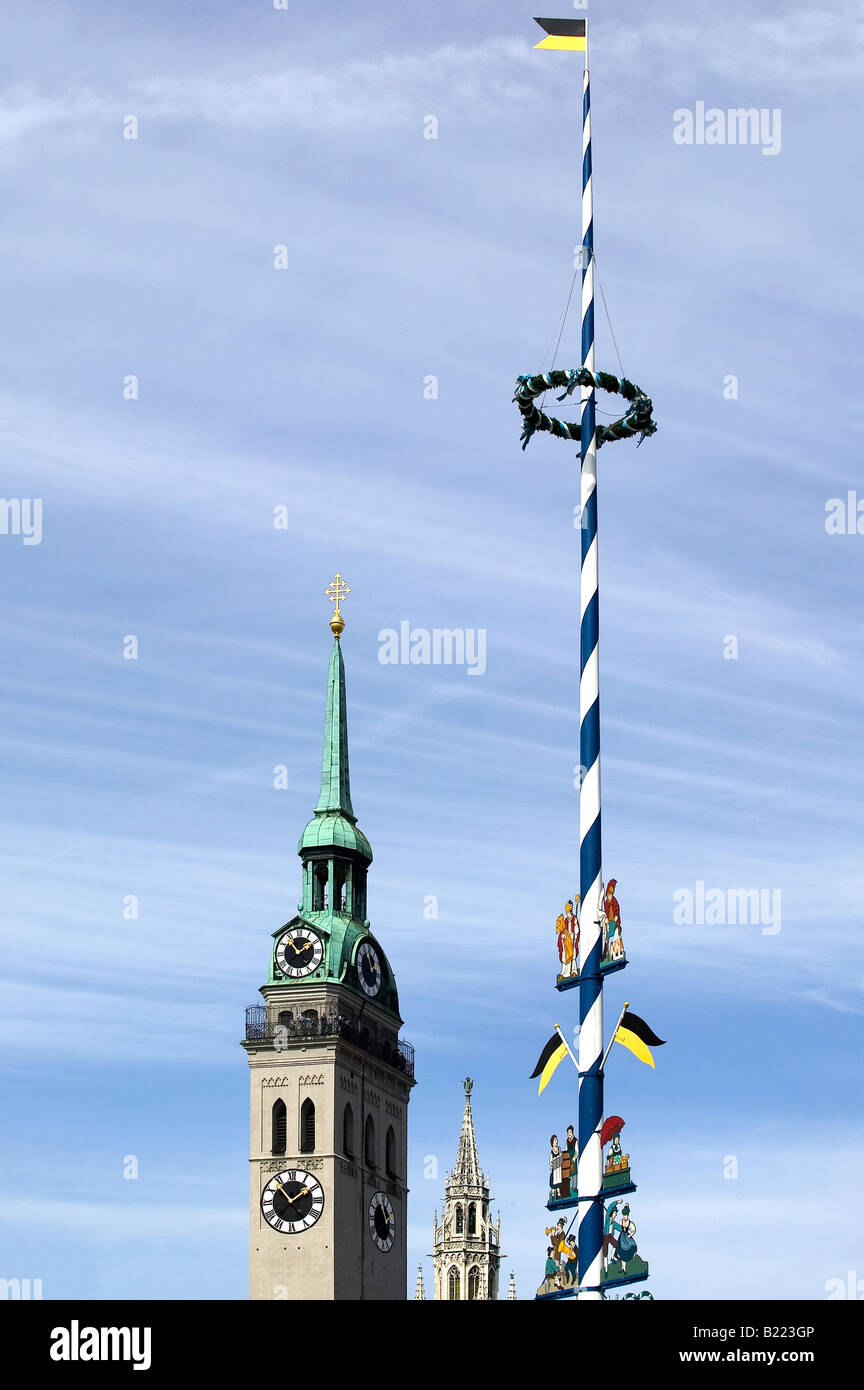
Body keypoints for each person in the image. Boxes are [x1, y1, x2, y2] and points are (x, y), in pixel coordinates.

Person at [616, 1206, 638, 1272]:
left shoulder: (630, 1223)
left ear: (628, 1215)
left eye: (625, 1215)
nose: (624, 1217)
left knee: (628, 1249)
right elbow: (619, 1228)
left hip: (627, 1238)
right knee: (621, 1252)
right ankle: (623, 1268)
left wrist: (630, 1235)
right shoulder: (621, 1221)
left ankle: (624, 1268)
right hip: (622, 1237)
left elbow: (633, 1230)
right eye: (623, 1215)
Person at [556, 911, 575, 979]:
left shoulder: (565, 932)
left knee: (568, 960)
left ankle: (568, 973)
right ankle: (563, 973)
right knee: (564, 960)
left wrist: (565, 937)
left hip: (567, 950)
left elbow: (568, 940)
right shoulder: (563, 932)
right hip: (564, 950)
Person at [603, 1201, 622, 1266]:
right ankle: (606, 1269)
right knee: (605, 1252)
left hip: (610, 1236)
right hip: (605, 1236)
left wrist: (626, 1231)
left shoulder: (613, 1223)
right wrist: (617, 1202)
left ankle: (612, 1257)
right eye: (615, 1213)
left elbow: (619, 1227)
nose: (616, 1214)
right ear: (612, 1213)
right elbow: (609, 1208)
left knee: (616, 1245)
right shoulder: (607, 1219)